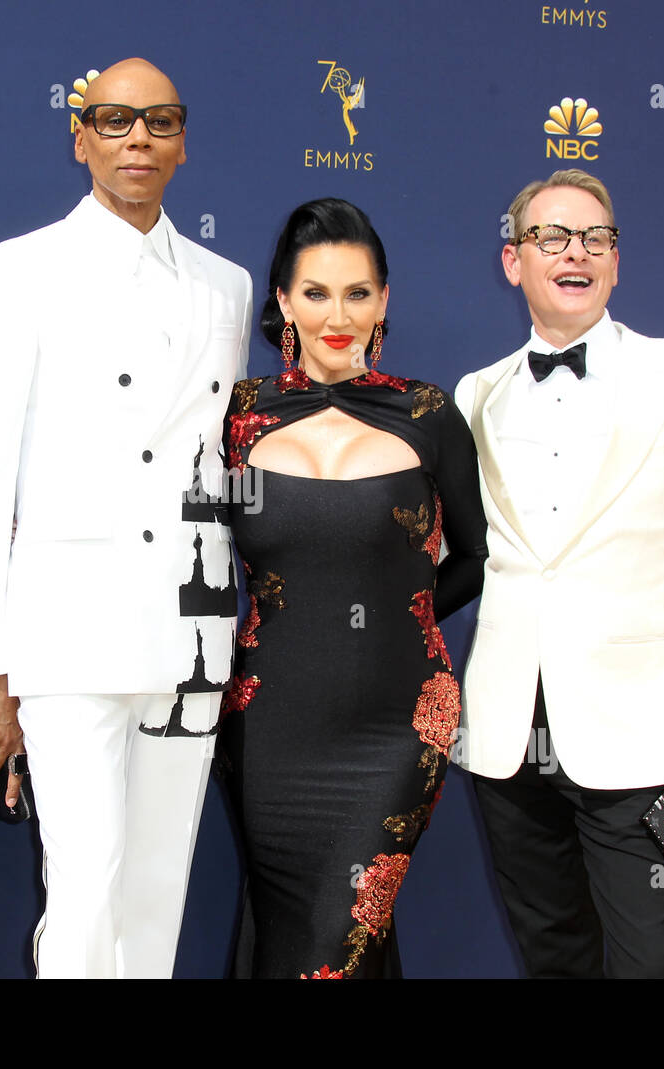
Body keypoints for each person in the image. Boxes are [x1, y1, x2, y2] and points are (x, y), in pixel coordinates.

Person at [454, 168, 664, 978]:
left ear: (616, 261)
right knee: (553, 961)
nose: (575, 252)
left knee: (648, 967)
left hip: (643, 748)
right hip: (509, 744)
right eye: (551, 237)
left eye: (595, 238)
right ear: (514, 261)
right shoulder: (475, 396)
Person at [0, 58, 251, 978]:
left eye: (158, 121)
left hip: (191, 632)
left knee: (159, 886)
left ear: (184, 141)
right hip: (68, 633)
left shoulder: (227, 285)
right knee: (83, 886)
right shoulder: (20, 270)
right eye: (115, 120)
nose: (137, 140)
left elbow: (221, 469)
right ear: (79, 136)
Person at [219, 199, 487, 978]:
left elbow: (472, 557)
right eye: (316, 293)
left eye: (358, 293)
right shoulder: (238, 417)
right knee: (291, 935)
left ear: (384, 301)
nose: (338, 316)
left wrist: (400, 623)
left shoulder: (428, 414)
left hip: (394, 727)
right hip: (269, 730)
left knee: (336, 938)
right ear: (282, 302)